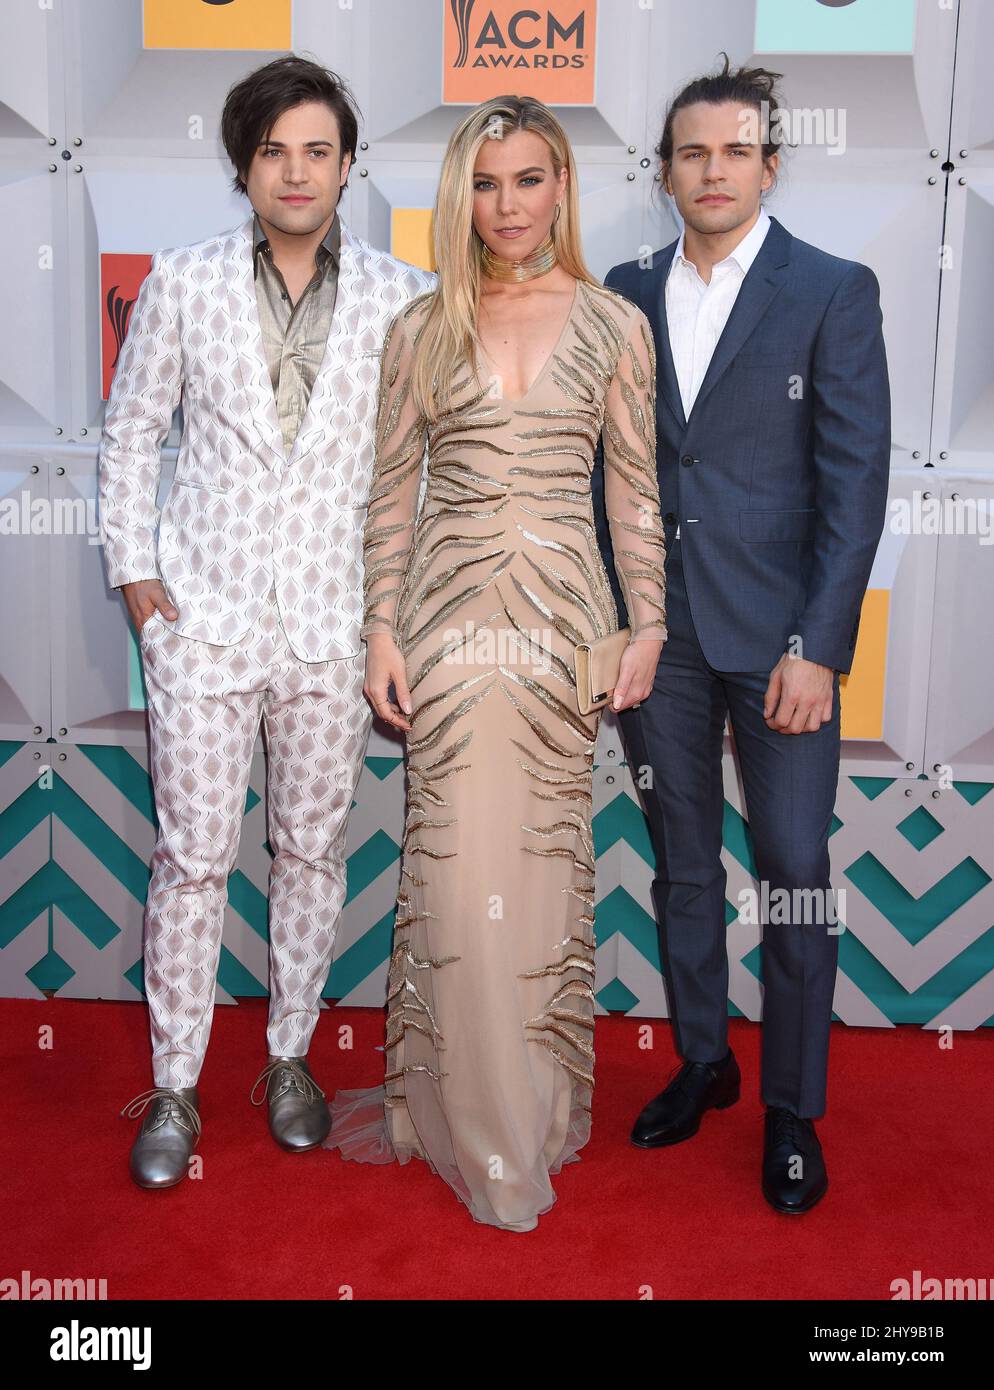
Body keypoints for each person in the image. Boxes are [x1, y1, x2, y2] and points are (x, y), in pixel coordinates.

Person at [322, 95, 668, 1232]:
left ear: (560, 187)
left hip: (563, 632)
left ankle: (529, 1106)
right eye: (485, 181)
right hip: (452, 630)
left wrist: (649, 624)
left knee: (544, 873)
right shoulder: (419, 331)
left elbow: (631, 490)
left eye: (528, 179)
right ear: (459, 195)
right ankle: (466, 1116)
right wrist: (380, 627)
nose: (508, 204)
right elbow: (387, 494)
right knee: (457, 879)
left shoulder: (616, 325)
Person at [100, 55, 436, 1188]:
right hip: (199, 622)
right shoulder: (181, 282)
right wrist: (138, 575)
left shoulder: (403, 295)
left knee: (310, 851)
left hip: (334, 631)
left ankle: (289, 1057)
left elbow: (414, 467)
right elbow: (132, 431)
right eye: (273, 151)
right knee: (192, 859)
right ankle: (176, 1084)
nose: (297, 172)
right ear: (243, 165)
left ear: (348, 166)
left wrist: (392, 609)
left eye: (318, 151)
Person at [592, 55, 890, 1213]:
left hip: (782, 650)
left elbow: (854, 481)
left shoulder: (831, 288)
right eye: (690, 152)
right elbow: (608, 466)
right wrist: (617, 618)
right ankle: (706, 1061)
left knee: (797, 873)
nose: (711, 171)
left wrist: (820, 644)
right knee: (679, 864)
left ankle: (791, 1107)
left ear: (770, 164)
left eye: (734, 151)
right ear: (664, 171)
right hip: (657, 642)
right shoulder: (620, 288)